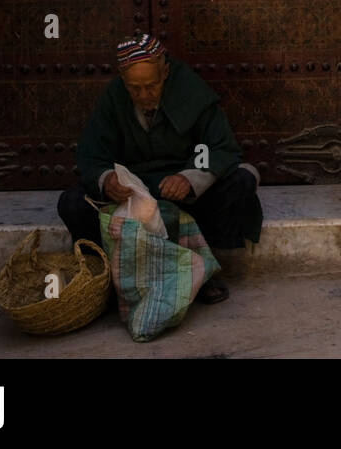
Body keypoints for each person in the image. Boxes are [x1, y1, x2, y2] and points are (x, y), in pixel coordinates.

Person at [57, 34, 263, 304]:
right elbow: (91, 156)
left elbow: (220, 148)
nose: (144, 95)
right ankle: (107, 277)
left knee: (241, 180)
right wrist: (107, 180)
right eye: (135, 88)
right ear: (122, 78)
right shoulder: (113, 98)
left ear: (165, 72)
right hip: (136, 195)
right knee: (72, 203)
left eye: (151, 86)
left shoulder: (191, 91)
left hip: (182, 193)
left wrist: (189, 179)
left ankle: (201, 270)